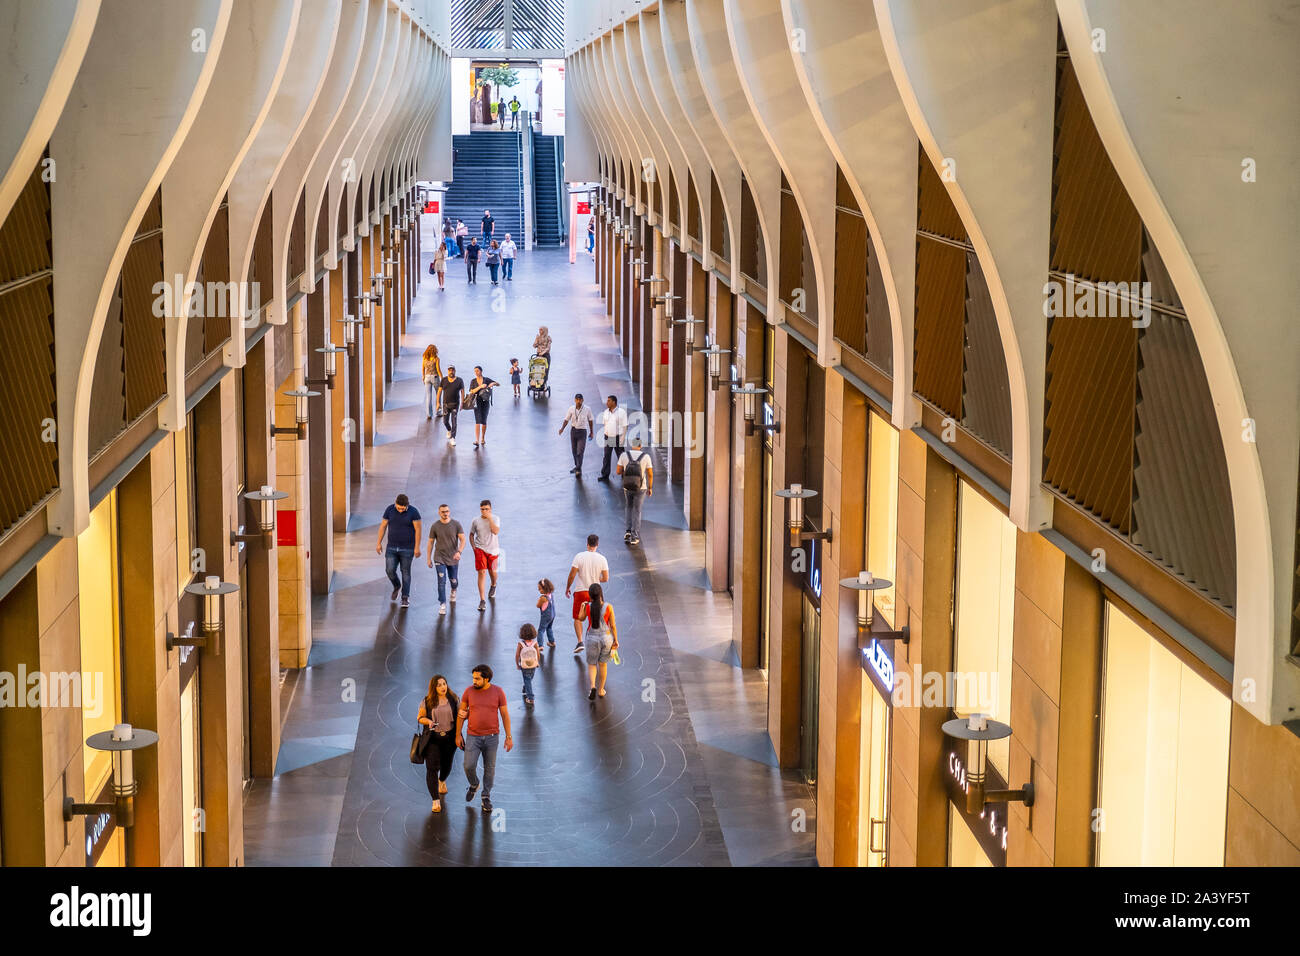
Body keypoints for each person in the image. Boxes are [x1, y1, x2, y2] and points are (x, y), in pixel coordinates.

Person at [456, 664, 512, 814]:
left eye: (477, 678)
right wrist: (457, 735)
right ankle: (474, 784)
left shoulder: (498, 692)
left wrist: (508, 737)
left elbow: (505, 715)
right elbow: (461, 714)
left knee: (490, 769)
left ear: (486, 679)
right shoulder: (468, 692)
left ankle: (486, 796)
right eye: (473, 678)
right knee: (468, 765)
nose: (474, 681)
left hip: (492, 737)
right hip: (473, 736)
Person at [418, 675, 459, 812]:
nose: (443, 687)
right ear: (434, 688)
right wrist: (428, 721)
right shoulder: (427, 701)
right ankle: (435, 800)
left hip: (449, 738)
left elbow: (460, 716)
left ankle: (442, 780)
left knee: (447, 766)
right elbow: (420, 717)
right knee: (432, 768)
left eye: (444, 684)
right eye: (439, 685)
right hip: (433, 739)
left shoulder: (453, 699)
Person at [564, 534, 609, 655]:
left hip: (580, 591)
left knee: (577, 618)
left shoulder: (579, 556)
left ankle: (580, 642)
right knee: (596, 617)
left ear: (587, 544)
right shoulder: (602, 559)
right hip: (595, 591)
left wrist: (568, 587)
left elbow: (572, 574)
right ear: (597, 545)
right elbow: (605, 578)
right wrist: (596, 578)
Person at [376, 494, 421, 607]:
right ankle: (397, 585)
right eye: (398, 507)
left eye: (403, 508)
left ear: (407, 505)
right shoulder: (389, 509)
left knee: (405, 572)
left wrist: (417, 547)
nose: (400, 510)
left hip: (408, 548)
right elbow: (383, 526)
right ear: (395, 503)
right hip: (391, 547)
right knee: (389, 570)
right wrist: (378, 543)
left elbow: (418, 530)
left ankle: (405, 597)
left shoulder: (414, 512)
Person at [578, 583, 618, 700]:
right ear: (601, 594)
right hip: (606, 638)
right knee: (603, 664)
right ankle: (601, 690)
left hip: (592, 638)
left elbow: (581, 618)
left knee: (592, 664)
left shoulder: (588, 607)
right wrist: (616, 640)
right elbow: (613, 626)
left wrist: (582, 607)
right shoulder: (608, 607)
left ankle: (592, 687)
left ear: (590, 595)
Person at [426, 503, 465, 614]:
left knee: (453, 580)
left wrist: (459, 552)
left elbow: (463, 539)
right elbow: (430, 543)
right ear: (439, 513)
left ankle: (453, 590)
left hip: (453, 557)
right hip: (439, 557)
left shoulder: (456, 524)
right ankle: (442, 603)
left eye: (447, 511)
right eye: (443, 512)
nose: (445, 513)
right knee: (441, 582)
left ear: (449, 512)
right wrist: (428, 558)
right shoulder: (435, 526)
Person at [617, 435, 654, 546]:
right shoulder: (646, 457)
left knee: (628, 507)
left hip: (627, 486)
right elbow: (650, 474)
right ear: (640, 446)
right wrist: (650, 488)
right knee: (637, 510)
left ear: (632, 445)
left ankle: (627, 532)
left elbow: (618, 471)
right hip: (641, 488)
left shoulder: (624, 455)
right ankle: (635, 536)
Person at [469, 499, 501, 612]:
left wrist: (490, 518)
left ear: (490, 509)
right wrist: (474, 548)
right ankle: (482, 600)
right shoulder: (475, 520)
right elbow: (471, 534)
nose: (484, 511)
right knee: (482, 572)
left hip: (493, 550)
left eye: (486, 509)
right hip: (480, 549)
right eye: (482, 509)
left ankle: (493, 585)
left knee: (493, 572)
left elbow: (496, 531)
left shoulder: (496, 518)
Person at [558, 392, 595, 477]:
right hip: (573, 431)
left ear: (582, 400)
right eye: (577, 399)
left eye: (580, 400)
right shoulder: (571, 409)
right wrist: (562, 429)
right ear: (575, 400)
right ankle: (577, 467)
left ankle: (578, 468)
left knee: (580, 452)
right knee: (574, 451)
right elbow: (566, 419)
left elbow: (590, 420)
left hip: (582, 432)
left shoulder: (587, 409)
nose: (578, 401)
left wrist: (591, 432)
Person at [598, 394, 628, 481]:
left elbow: (625, 426)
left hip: (618, 438)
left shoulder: (621, 412)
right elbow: (605, 424)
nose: (607, 402)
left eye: (608, 401)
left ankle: (625, 474)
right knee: (606, 456)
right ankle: (605, 475)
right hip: (608, 438)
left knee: (621, 457)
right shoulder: (606, 412)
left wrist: (623, 438)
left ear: (614, 402)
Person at [468, 366, 499, 447]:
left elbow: (498, 384)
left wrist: (493, 383)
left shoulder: (486, 379)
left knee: (484, 420)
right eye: (475, 371)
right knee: (477, 420)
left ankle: (483, 438)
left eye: (477, 371)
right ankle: (477, 440)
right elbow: (471, 391)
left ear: (481, 371)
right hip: (476, 402)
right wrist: (480, 387)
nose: (476, 372)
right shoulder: (473, 381)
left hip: (485, 402)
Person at [516, 624, 541, 707]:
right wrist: (537, 662)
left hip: (524, 665)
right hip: (533, 664)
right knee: (529, 678)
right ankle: (525, 688)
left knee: (527, 679)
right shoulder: (535, 643)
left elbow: (517, 655)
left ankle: (530, 698)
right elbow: (538, 654)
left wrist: (517, 664)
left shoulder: (521, 644)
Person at [440, 365, 465, 446]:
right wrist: (437, 403)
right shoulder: (444, 380)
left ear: (455, 371)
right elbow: (439, 391)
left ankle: (453, 438)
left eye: (452, 370)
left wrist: (462, 402)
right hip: (445, 404)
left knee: (454, 422)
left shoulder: (459, 380)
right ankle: (449, 430)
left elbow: (462, 391)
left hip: (455, 404)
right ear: (448, 371)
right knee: (445, 421)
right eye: (450, 370)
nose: (451, 371)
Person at [421, 344, 442, 421]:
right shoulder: (436, 359)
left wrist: (423, 376)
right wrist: (442, 378)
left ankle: (429, 414)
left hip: (427, 378)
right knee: (438, 394)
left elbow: (422, 368)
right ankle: (438, 412)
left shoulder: (424, 358)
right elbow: (438, 369)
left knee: (428, 396)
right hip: (435, 377)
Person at [536, 578, 556, 648]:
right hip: (552, 614)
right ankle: (552, 641)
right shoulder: (550, 595)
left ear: (545, 588)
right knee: (549, 628)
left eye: (540, 589)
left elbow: (537, 605)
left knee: (541, 630)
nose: (539, 590)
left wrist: (539, 600)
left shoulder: (543, 598)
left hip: (546, 616)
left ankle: (540, 645)